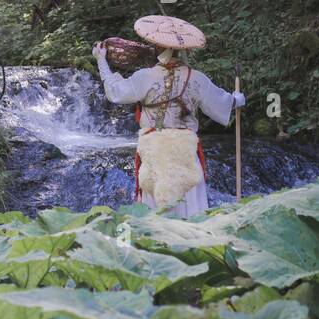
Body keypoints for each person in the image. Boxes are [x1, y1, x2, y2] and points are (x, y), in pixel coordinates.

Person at [92, 14, 246, 219]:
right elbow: (223, 103)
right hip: (186, 151)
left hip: (154, 151)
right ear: (182, 50)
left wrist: (101, 60)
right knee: (192, 207)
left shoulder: (144, 77)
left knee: (156, 209)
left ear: (156, 47)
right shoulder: (197, 78)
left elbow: (115, 91)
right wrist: (236, 100)